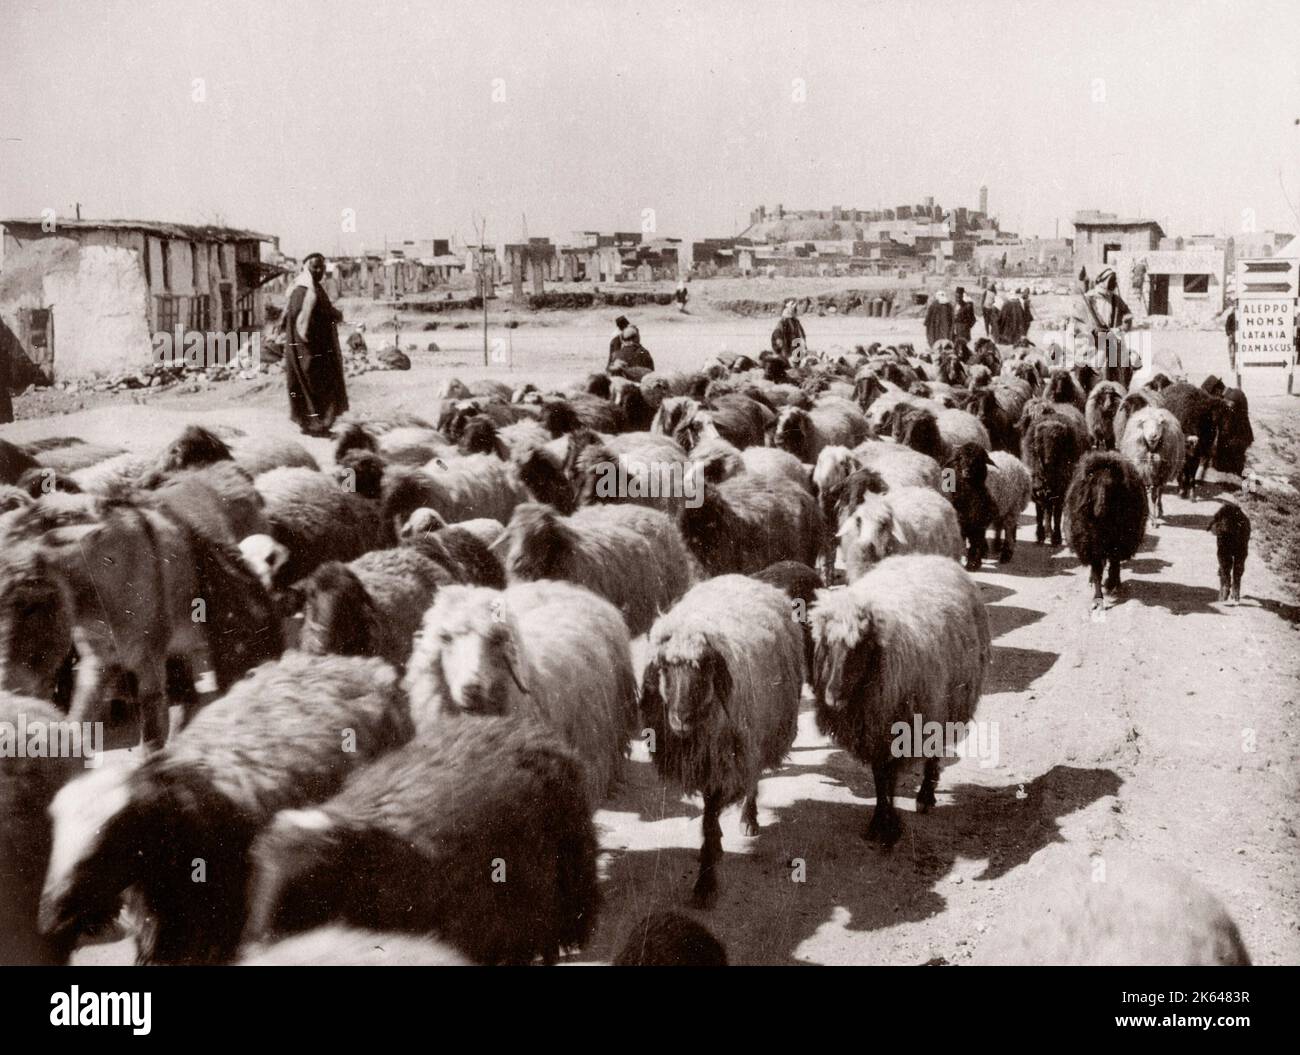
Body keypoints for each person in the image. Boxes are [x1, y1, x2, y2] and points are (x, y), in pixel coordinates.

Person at [284, 253, 348, 437]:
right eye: (314, 267)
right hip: (308, 349)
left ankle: (317, 424)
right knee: (314, 383)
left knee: (320, 384)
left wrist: (334, 314)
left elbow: (323, 310)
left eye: (321, 267)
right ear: (305, 268)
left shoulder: (314, 289)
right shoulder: (302, 291)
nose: (318, 271)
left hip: (318, 348)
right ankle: (314, 425)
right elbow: (302, 321)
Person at [1074, 266, 1136, 387]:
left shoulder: (1116, 300)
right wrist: (1092, 332)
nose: (1113, 283)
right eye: (1110, 280)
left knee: (1126, 365)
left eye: (1114, 280)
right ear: (1101, 280)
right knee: (1084, 367)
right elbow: (1077, 323)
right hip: (1092, 343)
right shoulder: (1087, 299)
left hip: (1113, 341)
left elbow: (1127, 318)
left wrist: (1120, 328)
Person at [1224, 303, 1237, 372]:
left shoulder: (1240, 316)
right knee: (1232, 352)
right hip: (1232, 336)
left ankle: (1233, 365)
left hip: (1236, 336)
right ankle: (1232, 366)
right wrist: (1229, 334)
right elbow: (1227, 326)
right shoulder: (1230, 316)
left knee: (1234, 352)